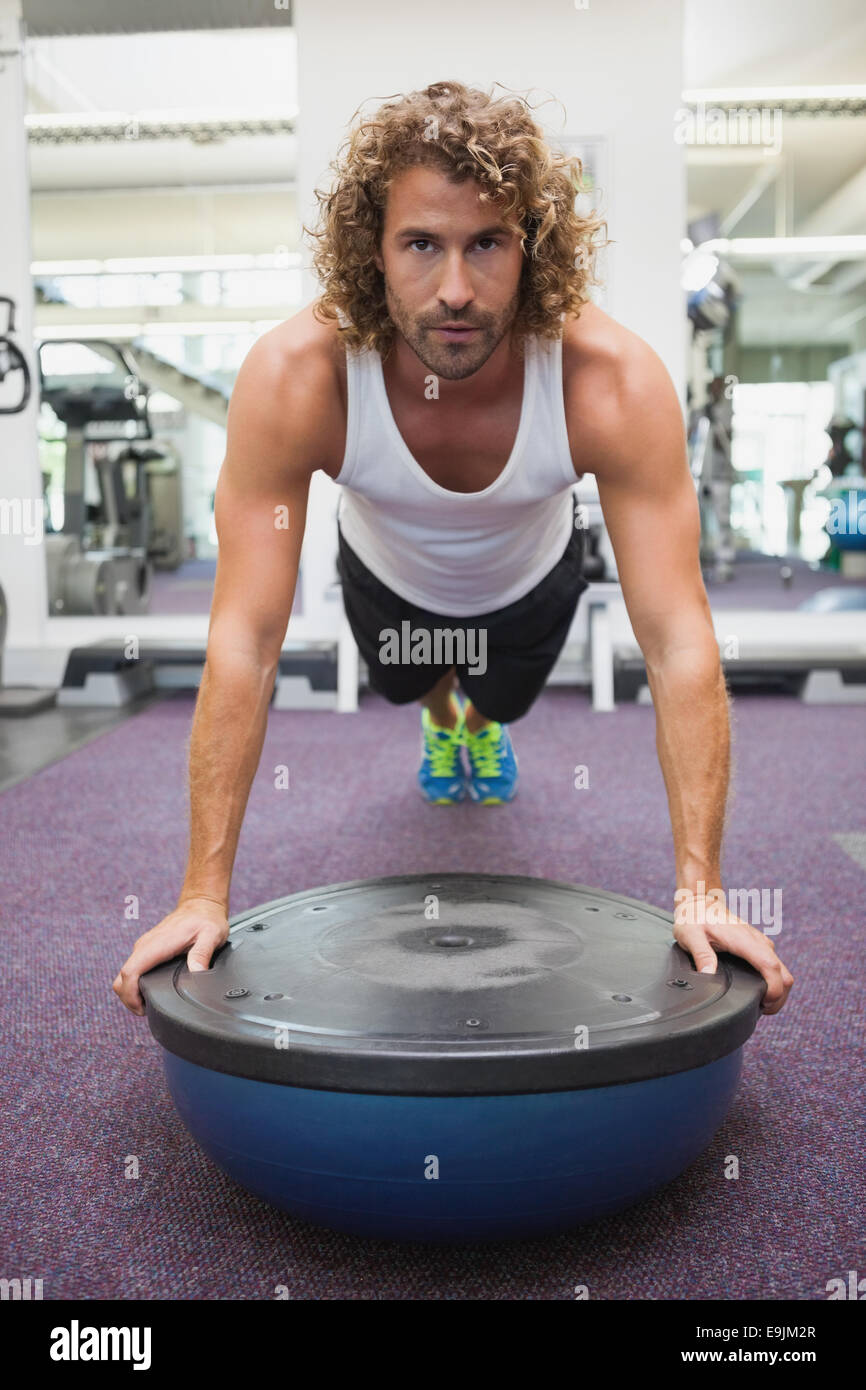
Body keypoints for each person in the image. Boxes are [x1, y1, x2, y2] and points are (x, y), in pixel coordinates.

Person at [114, 81, 792, 1017]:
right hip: (386, 579)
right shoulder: (296, 378)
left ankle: (478, 719)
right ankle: (445, 717)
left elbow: (678, 639)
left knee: (500, 696)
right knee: (415, 683)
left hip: (530, 582)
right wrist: (201, 895)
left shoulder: (614, 382)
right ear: (373, 251)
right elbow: (245, 641)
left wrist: (702, 893)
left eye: (488, 243)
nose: (457, 289)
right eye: (422, 244)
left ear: (534, 248)